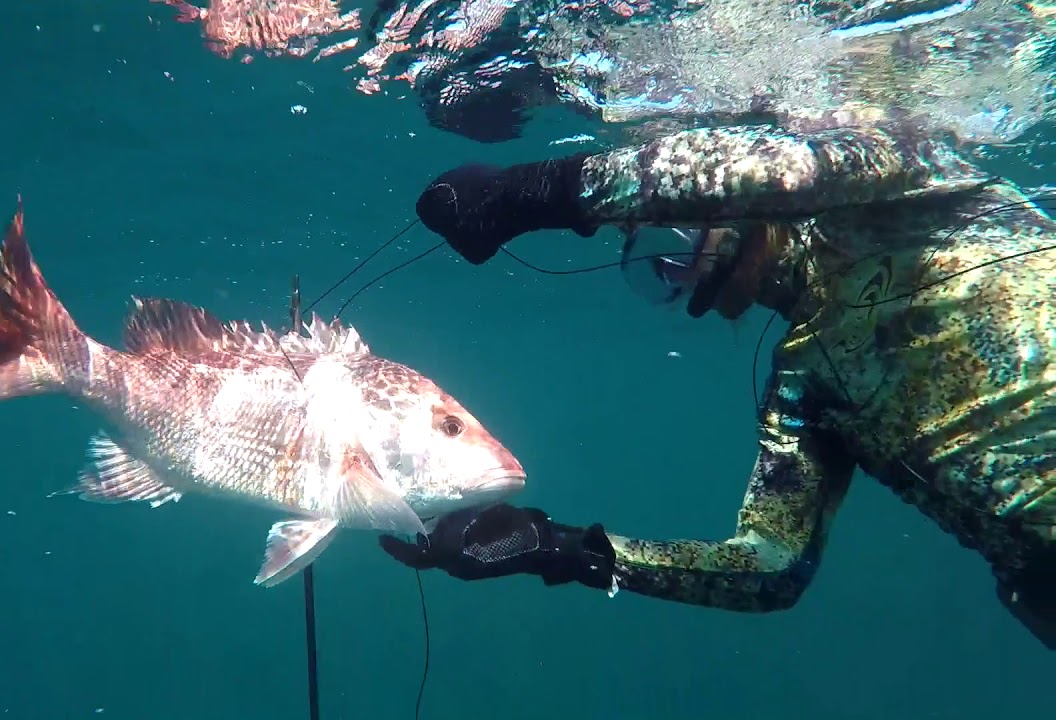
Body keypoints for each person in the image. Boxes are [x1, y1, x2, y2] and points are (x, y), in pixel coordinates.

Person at [379, 121, 1056, 649]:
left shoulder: (913, 186)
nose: (678, 278)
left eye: (668, 242)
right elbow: (768, 567)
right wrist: (554, 548)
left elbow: (781, 172)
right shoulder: (803, 380)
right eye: (653, 272)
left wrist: (535, 192)